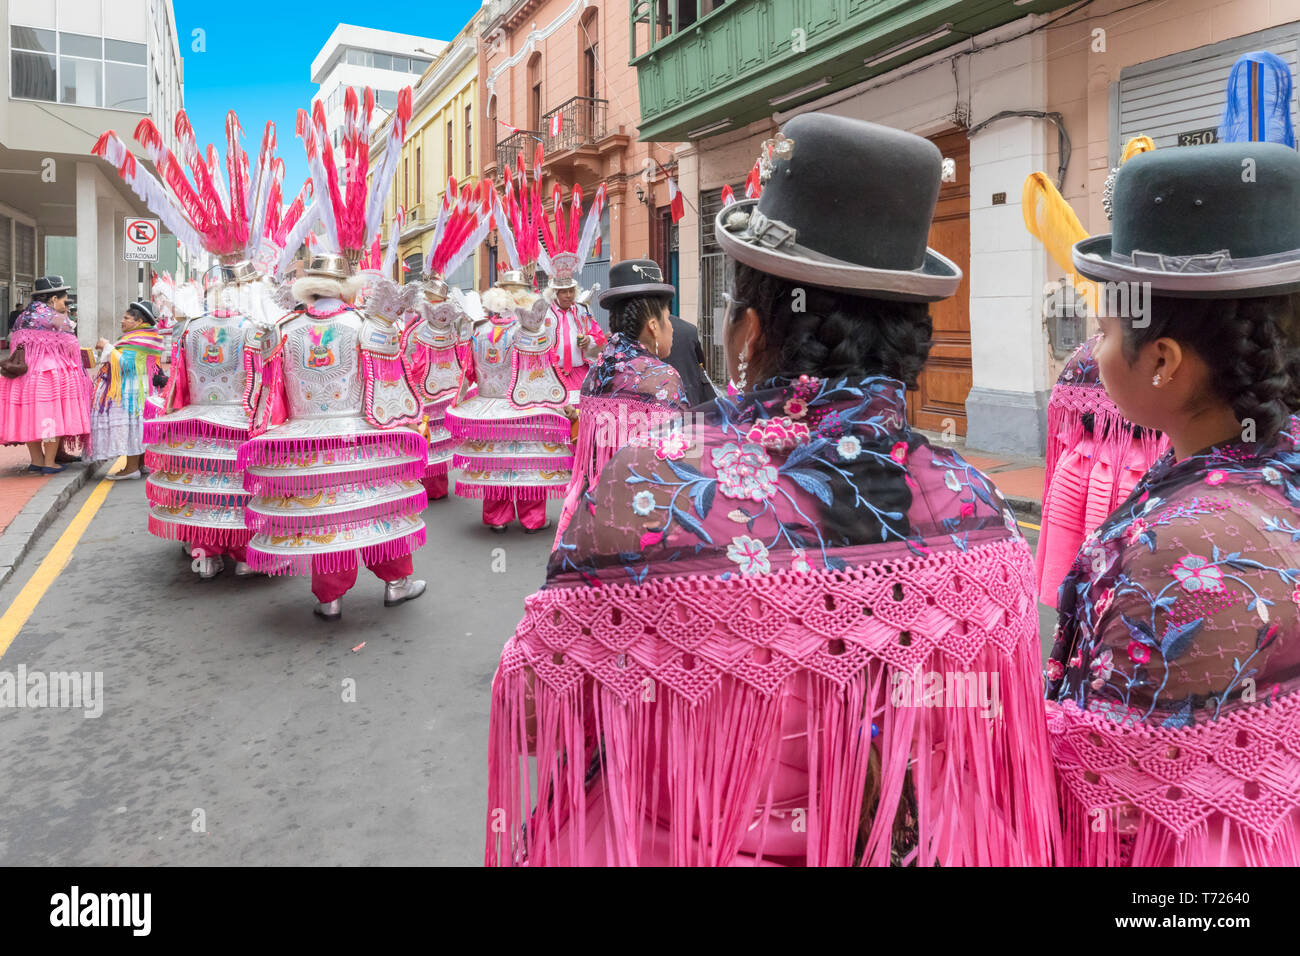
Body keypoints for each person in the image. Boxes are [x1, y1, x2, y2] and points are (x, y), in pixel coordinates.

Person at [485, 115, 1060, 866]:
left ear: (747, 333)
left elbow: (538, 711)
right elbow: (985, 725)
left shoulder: (654, 482)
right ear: (915, 343)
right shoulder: (978, 509)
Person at [1046, 141, 1300, 866]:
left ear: (1161, 362)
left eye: (1102, 328)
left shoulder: (1173, 552)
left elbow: (1117, 810)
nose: (1091, 350)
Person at [93, 115, 311, 579]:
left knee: (207, 486)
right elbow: (271, 388)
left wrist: (175, 421)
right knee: (243, 486)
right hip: (243, 422)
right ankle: (248, 552)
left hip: (200, 423)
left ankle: (206, 551)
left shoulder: (190, 327)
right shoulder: (259, 327)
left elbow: (178, 386)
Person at [241, 86, 427, 621]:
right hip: (358, 433)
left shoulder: (283, 327)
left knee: (326, 515)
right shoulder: (366, 325)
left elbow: (264, 392)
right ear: (346, 288)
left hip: (304, 439)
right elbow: (397, 386)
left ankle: (330, 597)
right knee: (373, 505)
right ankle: (396, 583)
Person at [447, 158, 573, 534]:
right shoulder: (532, 329)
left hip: (488, 406)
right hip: (525, 406)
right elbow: (547, 367)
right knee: (528, 460)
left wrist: (464, 392)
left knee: (498, 461)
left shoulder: (480, 329)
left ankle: (497, 517)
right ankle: (532, 518)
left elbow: (467, 371)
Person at [553, 258, 688, 543]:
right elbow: (677, 464)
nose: (672, 328)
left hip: (589, 513)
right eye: (668, 317)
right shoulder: (662, 378)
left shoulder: (596, 371)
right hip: (640, 516)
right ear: (653, 325)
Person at [0, 276, 91, 474]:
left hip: (24, 375)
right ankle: (49, 462)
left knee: (31, 417)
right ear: (52, 299)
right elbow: (71, 347)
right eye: (63, 300)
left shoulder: (21, 317)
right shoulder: (56, 318)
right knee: (50, 418)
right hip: (49, 375)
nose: (64, 305)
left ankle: (37, 461)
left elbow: (16, 345)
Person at [540, 183, 608, 393]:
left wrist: (589, 341)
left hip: (580, 373)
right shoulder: (544, 314)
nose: (569, 295)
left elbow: (599, 337)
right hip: (551, 375)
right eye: (564, 292)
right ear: (555, 293)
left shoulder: (582, 310)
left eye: (571, 291)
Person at [89, 299, 164, 479]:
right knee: (139, 425)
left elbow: (125, 365)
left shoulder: (138, 339)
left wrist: (106, 346)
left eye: (126, 318)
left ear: (139, 322)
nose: (122, 321)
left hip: (131, 391)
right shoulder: (145, 336)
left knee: (133, 426)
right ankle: (141, 464)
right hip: (141, 390)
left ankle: (131, 469)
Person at [664, 313, 713, 406]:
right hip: (692, 398)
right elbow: (701, 363)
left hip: (658, 405)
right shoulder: (689, 329)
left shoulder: (638, 330)